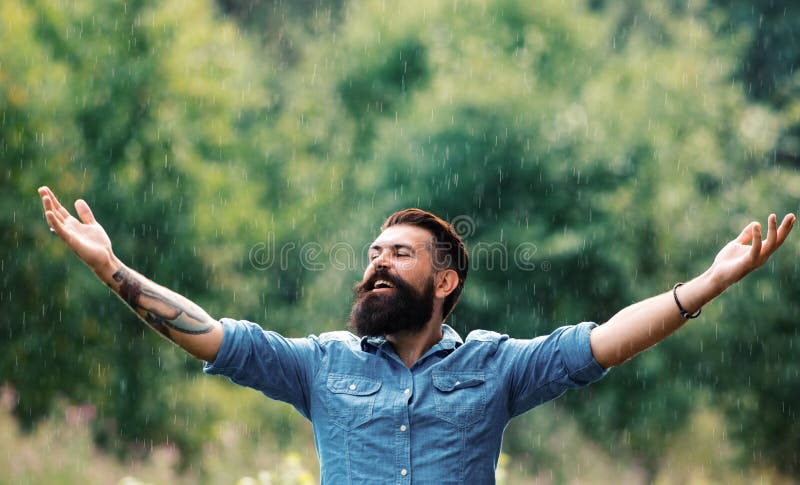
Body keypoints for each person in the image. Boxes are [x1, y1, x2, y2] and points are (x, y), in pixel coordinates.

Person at [37, 185, 795, 483]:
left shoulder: (499, 366)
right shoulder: (318, 364)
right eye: (372, 253)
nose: (376, 264)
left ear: (444, 282)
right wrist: (114, 269)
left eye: (398, 254)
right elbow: (207, 334)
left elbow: (608, 339)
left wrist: (709, 282)